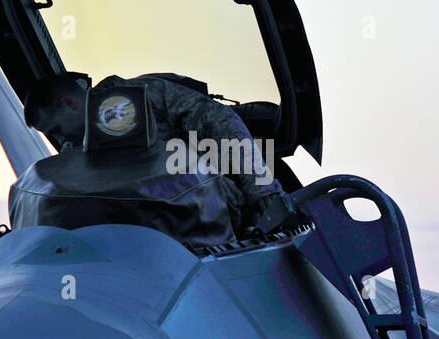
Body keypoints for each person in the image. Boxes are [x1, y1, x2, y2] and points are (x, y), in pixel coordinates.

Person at [24, 71, 292, 234]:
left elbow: (224, 127)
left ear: (69, 103)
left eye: (57, 128)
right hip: (146, 239)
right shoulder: (74, 155)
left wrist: (263, 192)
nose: (59, 139)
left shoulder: (146, 96)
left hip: (204, 211)